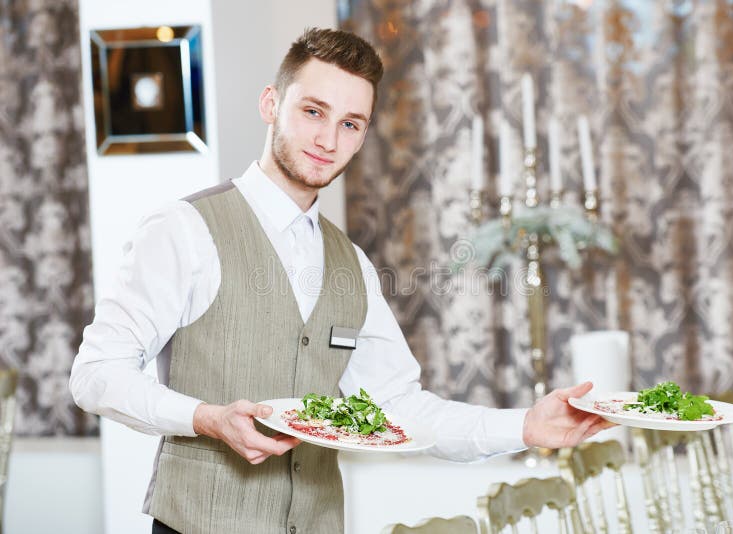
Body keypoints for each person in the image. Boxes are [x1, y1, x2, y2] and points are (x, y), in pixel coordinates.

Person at [70, 27, 612, 534]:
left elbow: (401, 408)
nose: (328, 139)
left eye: (350, 124)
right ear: (271, 104)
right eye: (313, 111)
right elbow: (96, 374)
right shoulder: (183, 229)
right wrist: (206, 418)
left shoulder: (351, 262)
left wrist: (526, 426)